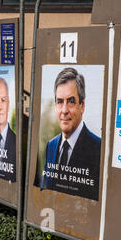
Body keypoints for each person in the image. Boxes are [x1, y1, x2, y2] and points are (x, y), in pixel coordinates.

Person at [36, 67, 101, 200]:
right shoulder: (51, 145)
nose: (64, 110)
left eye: (71, 101)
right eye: (60, 102)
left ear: (82, 105)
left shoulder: (98, 148)